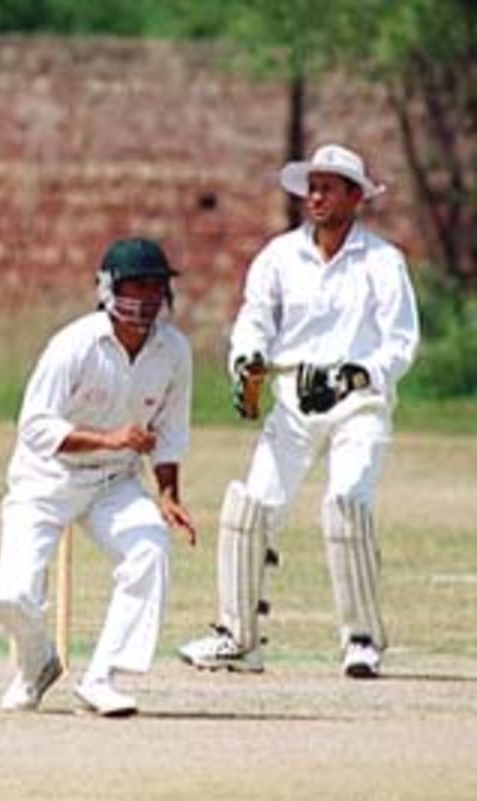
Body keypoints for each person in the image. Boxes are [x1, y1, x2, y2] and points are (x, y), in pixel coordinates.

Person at [178, 144, 420, 679]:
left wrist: (357, 375)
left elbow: (400, 342)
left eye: (329, 186)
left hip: (359, 405)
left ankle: (362, 641)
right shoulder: (279, 256)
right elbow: (254, 321)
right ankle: (239, 637)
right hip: (293, 402)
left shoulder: (382, 261)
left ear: (356, 197)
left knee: (345, 502)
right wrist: (247, 361)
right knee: (252, 506)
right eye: (312, 185)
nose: (315, 195)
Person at [0, 237, 197, 717]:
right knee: (11, 595)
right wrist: (110, 440)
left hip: (113, 483)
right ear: (107, 288)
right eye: (134, 285)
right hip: (46, 479)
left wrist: (167, 493)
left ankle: (102, 677)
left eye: (155, 286)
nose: (145, 298)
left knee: (149, 548)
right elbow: (36, 428)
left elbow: (171, 430)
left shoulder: (173, 351)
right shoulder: (74, 344)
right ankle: (37, 663)